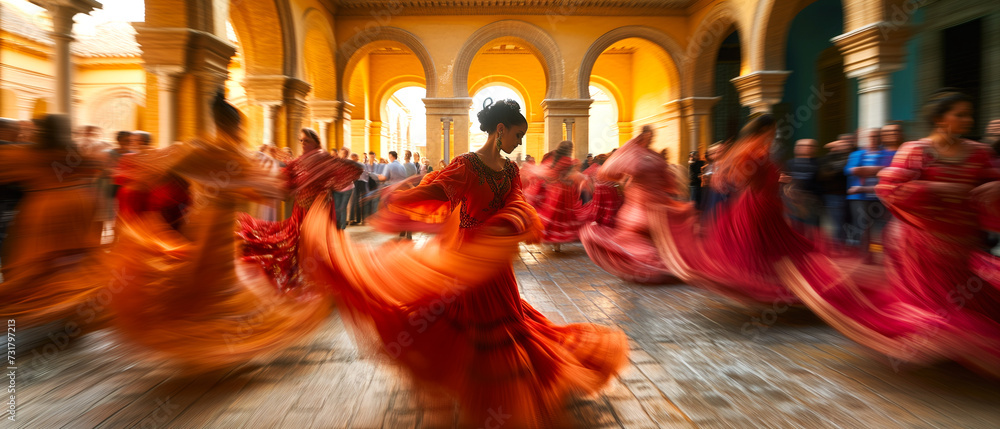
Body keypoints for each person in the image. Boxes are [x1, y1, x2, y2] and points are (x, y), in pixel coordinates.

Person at [299, 98, 627, 427]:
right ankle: (472, 379)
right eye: (518, 134)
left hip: (494, 260)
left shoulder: (510, 169)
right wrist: (399, 195)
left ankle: (487, 381)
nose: (520, 142)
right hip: (468, 254)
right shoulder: (466, 165)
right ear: (500, 130)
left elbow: (516, 200)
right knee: (461, 313)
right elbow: (437, 189)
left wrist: (513, 221)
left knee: (503, 317)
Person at [109, 94, 338, 371]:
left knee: (204, 276)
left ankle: (200, 334)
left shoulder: (201, 149)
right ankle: (217, 336)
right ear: (235, 125)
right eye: (238, 126)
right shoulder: (234, 154)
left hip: (203, 220)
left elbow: (154, 168)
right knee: (213, 277)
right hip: (219, 222)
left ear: (216, 122)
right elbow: (268, 191)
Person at [788, 90, 1000, 377]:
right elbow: (889, 189)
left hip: (962, 244)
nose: (967, 119)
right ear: (939, 119)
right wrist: (937, 189)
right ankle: (944, 342)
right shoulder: (916, 151)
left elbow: (992, 184)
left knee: (964, 299)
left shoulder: (980, 152)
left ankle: (954, 345)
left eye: (968, 114)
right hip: (920, 245)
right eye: (959, 114)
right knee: (934, 303)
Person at [0, 115, 108, 331]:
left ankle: (34, 301)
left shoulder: (30, 154)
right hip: (81, 204)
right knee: (73, 258)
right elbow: (98, 167)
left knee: (38, 259)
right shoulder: (75, 153)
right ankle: (74, 299)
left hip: (48, 207)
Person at [240, 128, 362, 290]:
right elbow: (288, 177)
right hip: (301, 208)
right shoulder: (299, 161)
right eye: (301, 140)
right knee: (297, 241)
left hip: (319, 210)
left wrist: (323, 179)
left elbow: (351, 171)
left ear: (316, 142)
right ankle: (303, 275)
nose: (303, 143)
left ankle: (322, 276)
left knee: (318, 243)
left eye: (307, 140)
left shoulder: (323, 159)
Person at [580, 126, 697, 284]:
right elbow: (612, 173)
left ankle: (654, 264)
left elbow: (611, 173)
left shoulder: (641, 156)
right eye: (649, 136)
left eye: (651, 136)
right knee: (646, 233)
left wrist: (627, 183)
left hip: (647, 202)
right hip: (645, 203)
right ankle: (656, 264)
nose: (651, 138)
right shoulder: (643, 156)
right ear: (644, 136)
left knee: (649, 233)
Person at [524, 140, 586, 251]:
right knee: (563, 216)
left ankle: (552, 240)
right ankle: (557, 243)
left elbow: (548, 174)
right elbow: (568, 176)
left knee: (552, 215)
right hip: (564, 191)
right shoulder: (568, 161)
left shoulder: (554, 160)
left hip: (553, 190)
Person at [845, 128, 893, 263]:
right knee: (863, 228)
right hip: (860, 197)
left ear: (880, 138)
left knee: (885, 227)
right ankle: (867, 256)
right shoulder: (856, 154)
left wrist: (866, 171)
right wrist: (879, 170)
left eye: (876, 136)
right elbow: (852, 170)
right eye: (871, 136)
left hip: (881, 196)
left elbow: (890, 170)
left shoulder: (887, 154)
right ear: (865, 138)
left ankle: (888, 257)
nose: (873, 139)